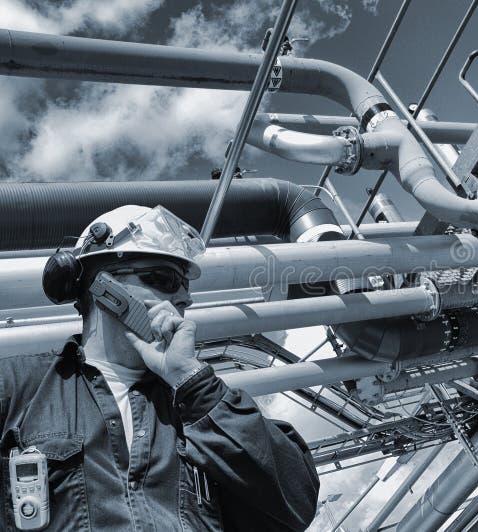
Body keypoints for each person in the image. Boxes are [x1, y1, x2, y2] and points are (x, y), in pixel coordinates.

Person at [0, 205, 320, 531]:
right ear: (105, 287)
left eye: (185, 284)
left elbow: (297, 505)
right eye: (164, 278)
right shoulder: (15, 388)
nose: (185, 297)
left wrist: (192, 382)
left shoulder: (199, 407)